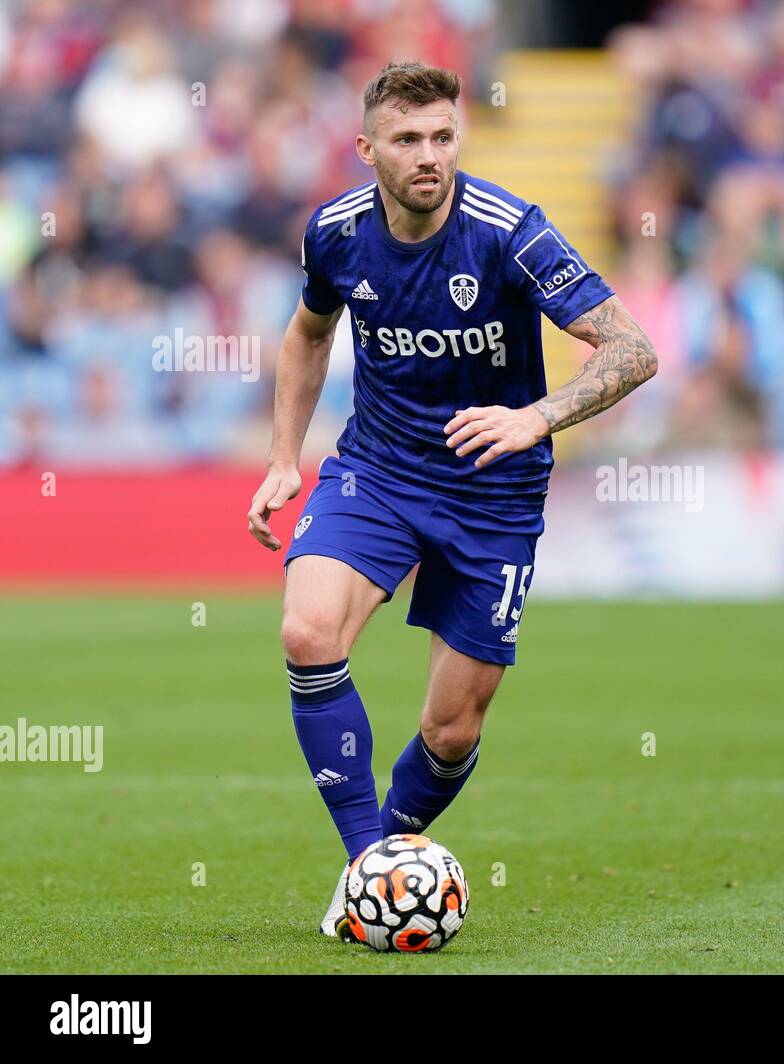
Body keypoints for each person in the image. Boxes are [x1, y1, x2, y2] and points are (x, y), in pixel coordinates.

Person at [244, 62, 657, 940]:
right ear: (367, 150)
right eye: (407, 140)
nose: (429, 155)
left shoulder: (512, 232)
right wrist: (285, 457)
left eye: (442, 136)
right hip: (381, 471)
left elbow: (631, 348)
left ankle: (391, 846)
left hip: (495, 494)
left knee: (453, 730)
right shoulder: (336, 233)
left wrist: (536, 417)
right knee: (307, 629)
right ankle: (367, 866)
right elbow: (308, 331)